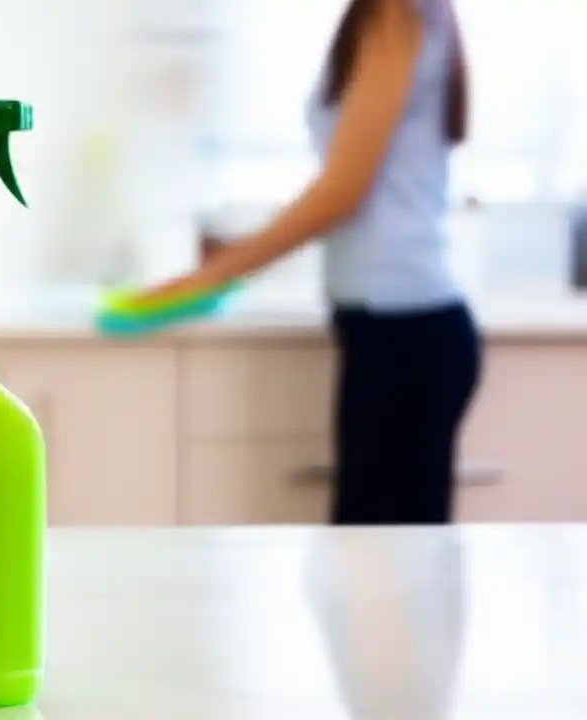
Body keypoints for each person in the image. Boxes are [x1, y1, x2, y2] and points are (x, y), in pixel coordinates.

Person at [149, 0, 480, 524]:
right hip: (397, 329)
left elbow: (342, 193)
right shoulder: (397, 15)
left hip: (407, 334)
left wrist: (210, 276)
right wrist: (226, 260)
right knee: (378, 551)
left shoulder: (398, 13)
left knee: (381, 552)